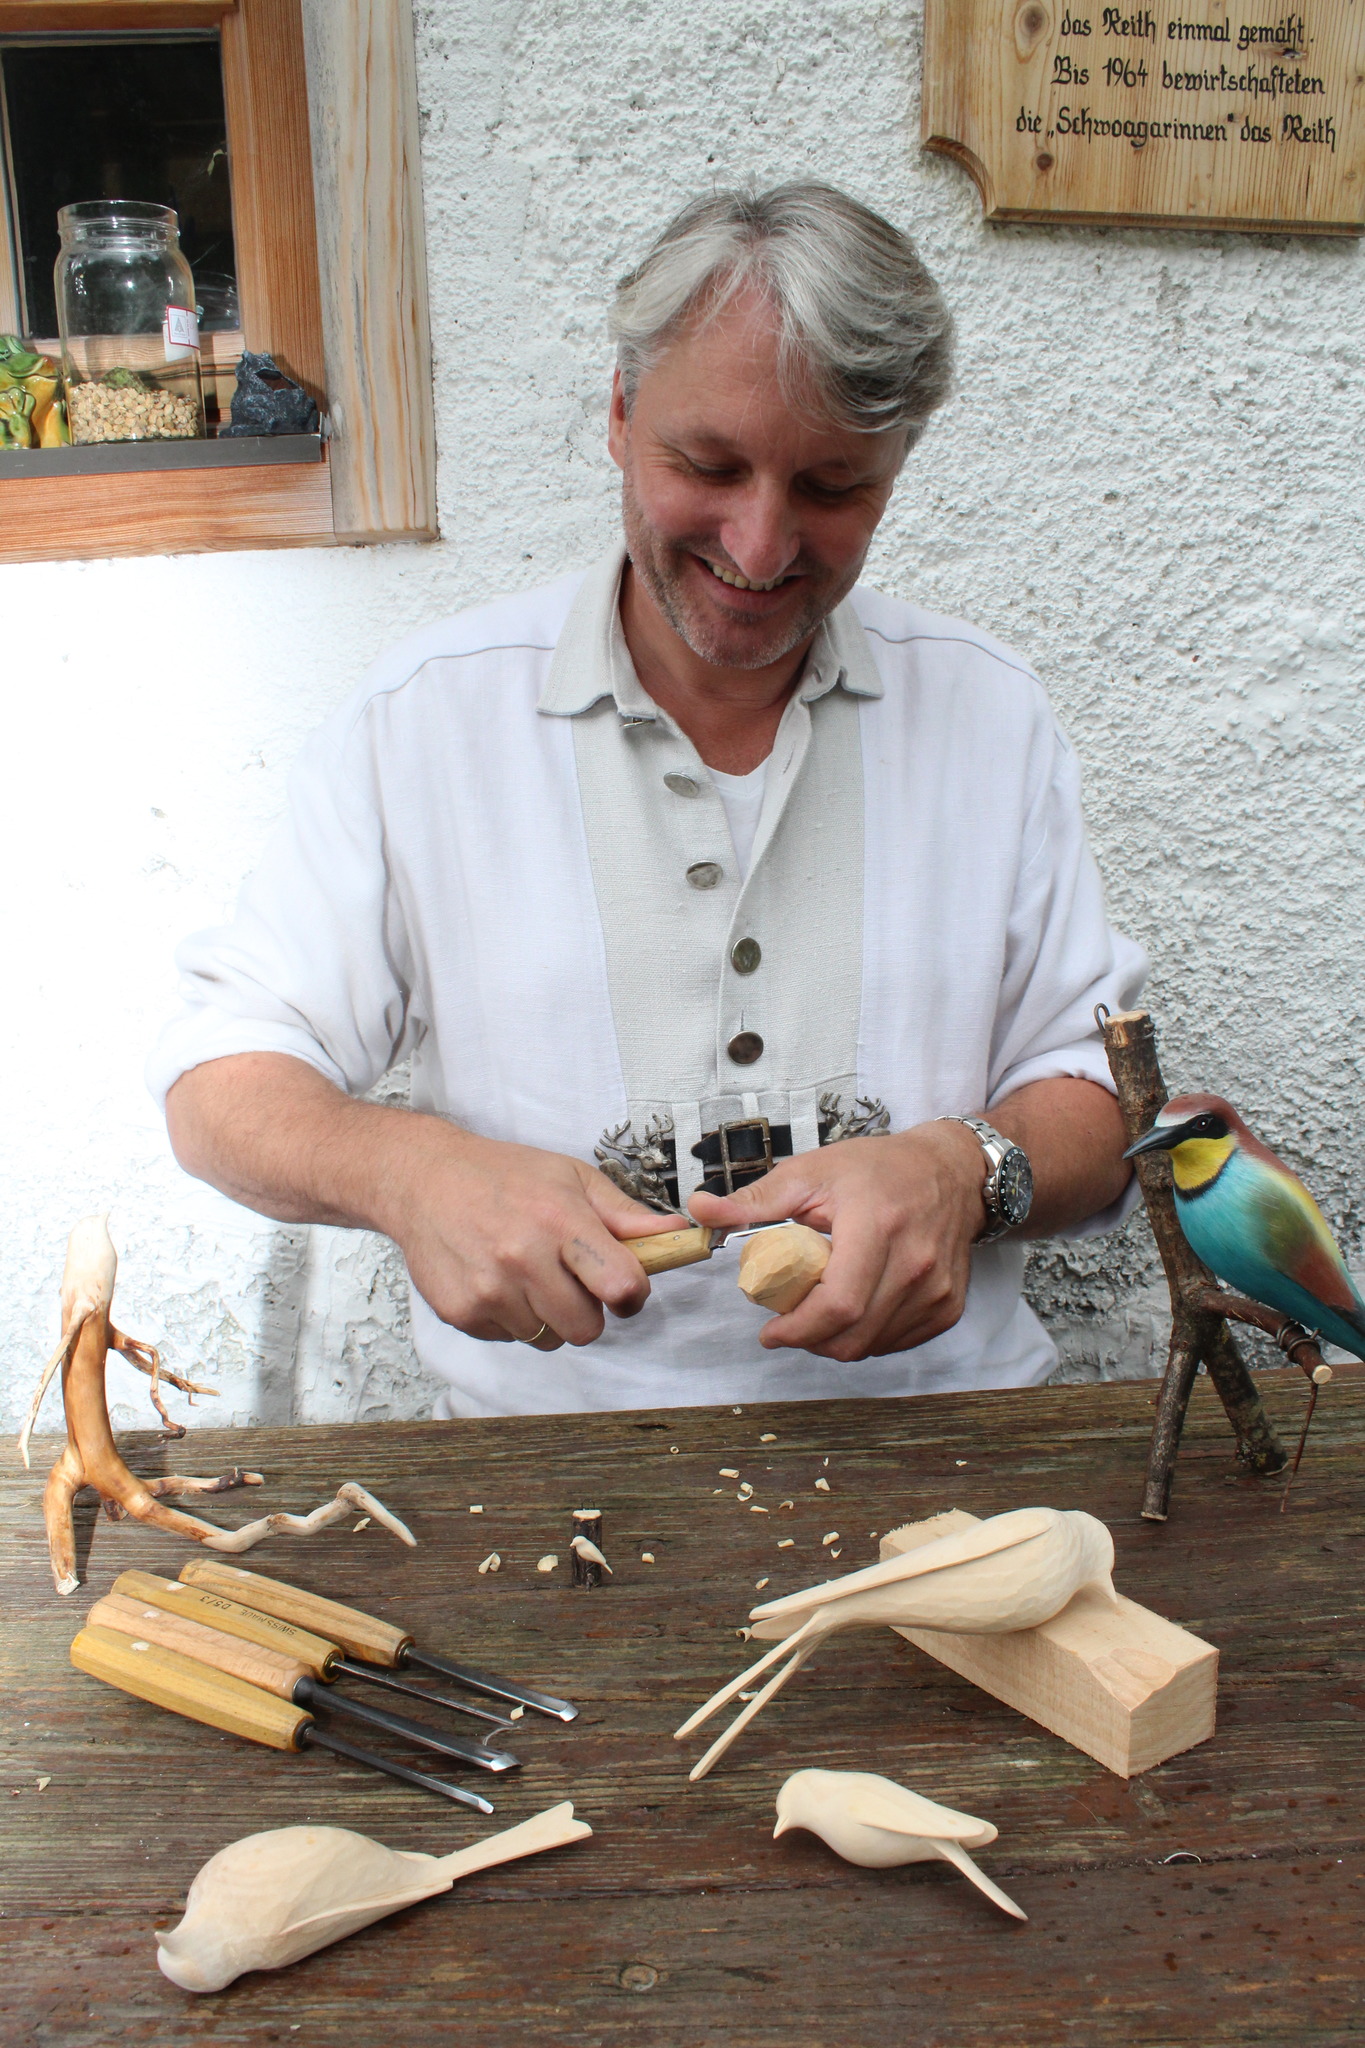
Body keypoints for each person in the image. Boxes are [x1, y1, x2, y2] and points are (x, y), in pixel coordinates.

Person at [151, 182, 1145, 1419]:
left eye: (833, 488)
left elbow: (1107, 1096)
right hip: (550, 1476)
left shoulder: (990, 715)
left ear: (895, 471)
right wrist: (409, 1168)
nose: (762, 544)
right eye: (709, 463)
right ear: (620, 415)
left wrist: (968, 1167)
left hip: (949, 1437)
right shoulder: (428, 720)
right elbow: (220, 1079)